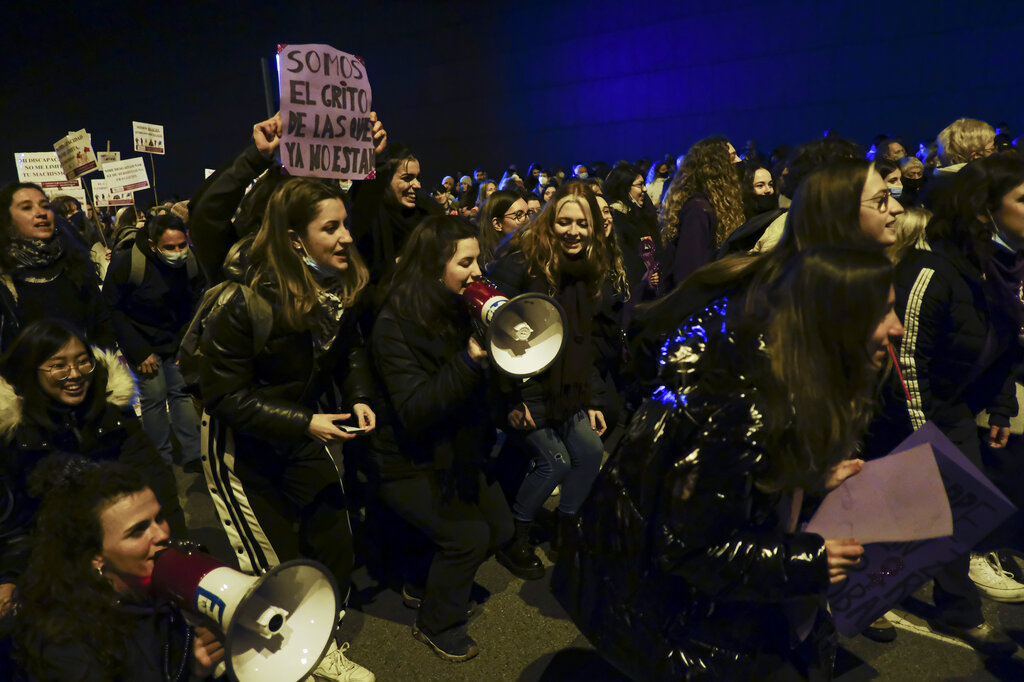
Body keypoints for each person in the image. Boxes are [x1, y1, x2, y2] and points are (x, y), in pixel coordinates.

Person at [555, 245, 903, 680]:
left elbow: (742, 489)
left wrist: (806, 479)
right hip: (691, 632)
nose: (899, 328)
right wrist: (807, 562)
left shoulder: (780, 378)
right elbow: (692, 548)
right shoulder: (743, 404)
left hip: (726, 616)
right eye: (883, 312)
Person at [196, 177, 375, 680]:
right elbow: (225, 395)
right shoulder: (246, 297)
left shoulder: (341, 284)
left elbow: (350, 351)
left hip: (301, 430)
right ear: (296, 239)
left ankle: (321, 635)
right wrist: (305, 421)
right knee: (277, 562)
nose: (346, 237)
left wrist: (357, 396)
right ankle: (302, 656)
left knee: (334, 535)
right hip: (241, 443)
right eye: (331, 228)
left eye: (346, 225)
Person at [867, 155, 1024, 655]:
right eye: (1022, 199)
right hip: (907, 407)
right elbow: (904, 356)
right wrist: (920, 434)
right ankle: (858, 598)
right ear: (985, 211)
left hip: (951, 403)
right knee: (892, 513)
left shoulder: (1001, 267)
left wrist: (999, 406)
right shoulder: (934, 267)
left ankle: (957, 609)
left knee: (961, 502)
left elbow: (1004, 341)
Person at [369, 216, 513, 662]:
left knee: (501, 528)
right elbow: (415, 410)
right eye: (465, 262)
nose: (476, 273)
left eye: (478, 261)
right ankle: (437, 623)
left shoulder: (459, 308)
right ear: (434, 266)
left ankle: (422, 578)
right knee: (468, 536)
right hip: (405, 459)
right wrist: (470, 362)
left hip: (454, 449)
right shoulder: (396, 322)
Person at [0, 320, 187, 628]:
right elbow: (14, 522)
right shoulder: (14, 438)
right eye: (58, 366)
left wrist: (171, 552)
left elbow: (157, 486)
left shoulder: (113, 414)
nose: (75, 374)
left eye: (82, 361)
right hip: (63, 574)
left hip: (132, 560)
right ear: (31, 369)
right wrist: (10, 575)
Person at [488, 181, 611, 580]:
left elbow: (581, 342)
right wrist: (510, 401)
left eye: (582, 222)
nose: (573, 231)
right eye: (564, 222)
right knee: (554, 462)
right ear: (548, 222)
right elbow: (492, 337)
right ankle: (515, 536)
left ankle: (566, 527)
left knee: (591, 452)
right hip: (522, 390)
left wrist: (591, 398)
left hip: (564, 390)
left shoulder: (585, 268)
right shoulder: (519, 264)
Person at [12, 455, 223, 681]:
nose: (161, 534)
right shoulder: (67, 645)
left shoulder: (155, 589)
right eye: (137, 531)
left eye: (159, 518)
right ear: (95, 557)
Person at [102, 212, 206, 470]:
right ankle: (161, 459)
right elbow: (113, 309)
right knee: (155, 396)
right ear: (152, 245)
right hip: (142, 340)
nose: (178, 252)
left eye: (182, 245)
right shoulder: (128, 264)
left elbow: (196, 304)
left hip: (175, 339)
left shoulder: (192, 263)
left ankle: (193, 453)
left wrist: (187, 343)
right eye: (169, 247)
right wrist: (138, 351)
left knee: (181, 392)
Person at [0, 183, 115, 351]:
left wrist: (101, 364)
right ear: (6, 219)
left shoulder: (75, 263)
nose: (40, 213)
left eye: (45, 206)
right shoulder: (4, 279)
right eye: (26, 207)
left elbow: (101, 323)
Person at [659, 136, 745, 287]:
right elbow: (688, 275)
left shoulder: (711, 204)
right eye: (732, 157)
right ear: (716, 167)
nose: (739, 161)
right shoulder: (698, 209)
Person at [477, 190, 528, 268]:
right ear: (497, 224)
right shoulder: (485, 264)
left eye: (528, 213)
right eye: (519, 215)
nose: (528, 220)